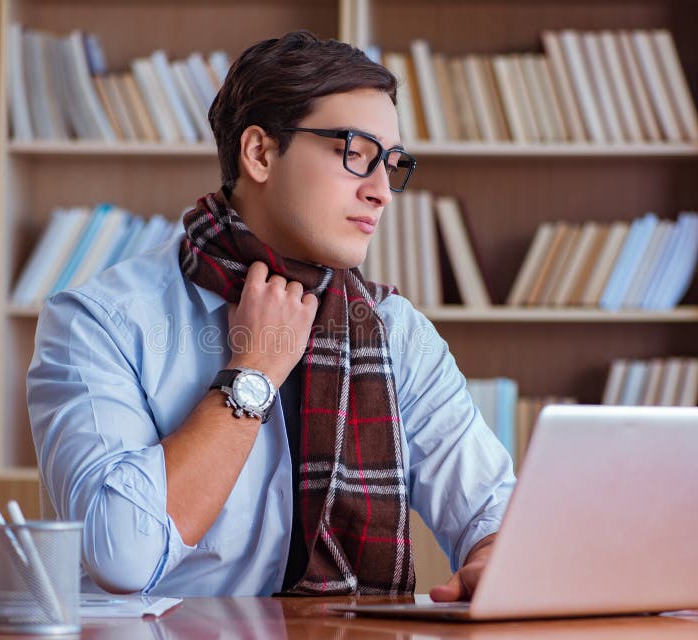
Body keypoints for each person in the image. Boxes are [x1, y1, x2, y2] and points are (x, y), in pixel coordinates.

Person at [27, 31, 515, 599]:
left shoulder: (393, 331)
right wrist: (254, 370)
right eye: (356, 153)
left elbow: (492, 513)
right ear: (260, 153)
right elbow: (121, 556)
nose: (383, 191)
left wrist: (497, 556)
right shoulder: (97, 323)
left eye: (392, 164)